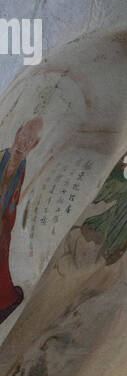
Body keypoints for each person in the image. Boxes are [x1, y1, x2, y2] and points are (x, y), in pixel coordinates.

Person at [0, 117, 43, 323]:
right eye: (22, 137)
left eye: (29, 141)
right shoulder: (2, 157)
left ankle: (5, 302)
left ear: (34, 145)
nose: (23, 144)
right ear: (17, 134)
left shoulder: (22, 165)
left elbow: (12, 200)